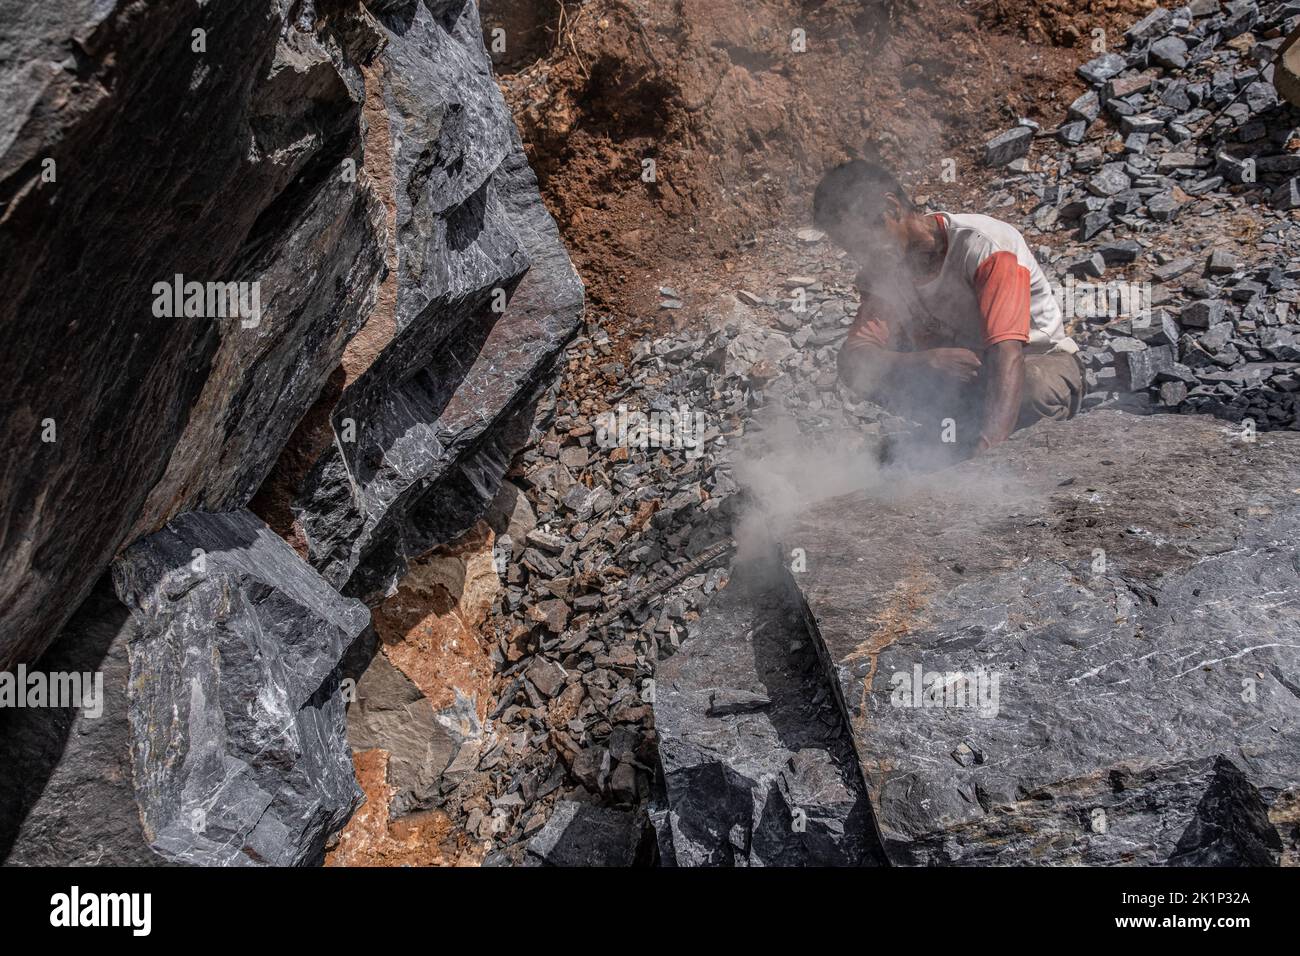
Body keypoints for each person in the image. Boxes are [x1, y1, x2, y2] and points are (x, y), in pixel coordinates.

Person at [813, 159, 1085, 455]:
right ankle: (950, 437)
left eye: (863, 243)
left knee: (1032, 388)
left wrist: (988, 455)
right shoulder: (882, 273)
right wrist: (923, 361)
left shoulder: (985, 246)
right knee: (872, 373)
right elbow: (855, 359)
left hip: (1034, 364)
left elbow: (1007, 353)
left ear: (892, 209)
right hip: (968, 384)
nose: (861, 257)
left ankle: (983, 443)